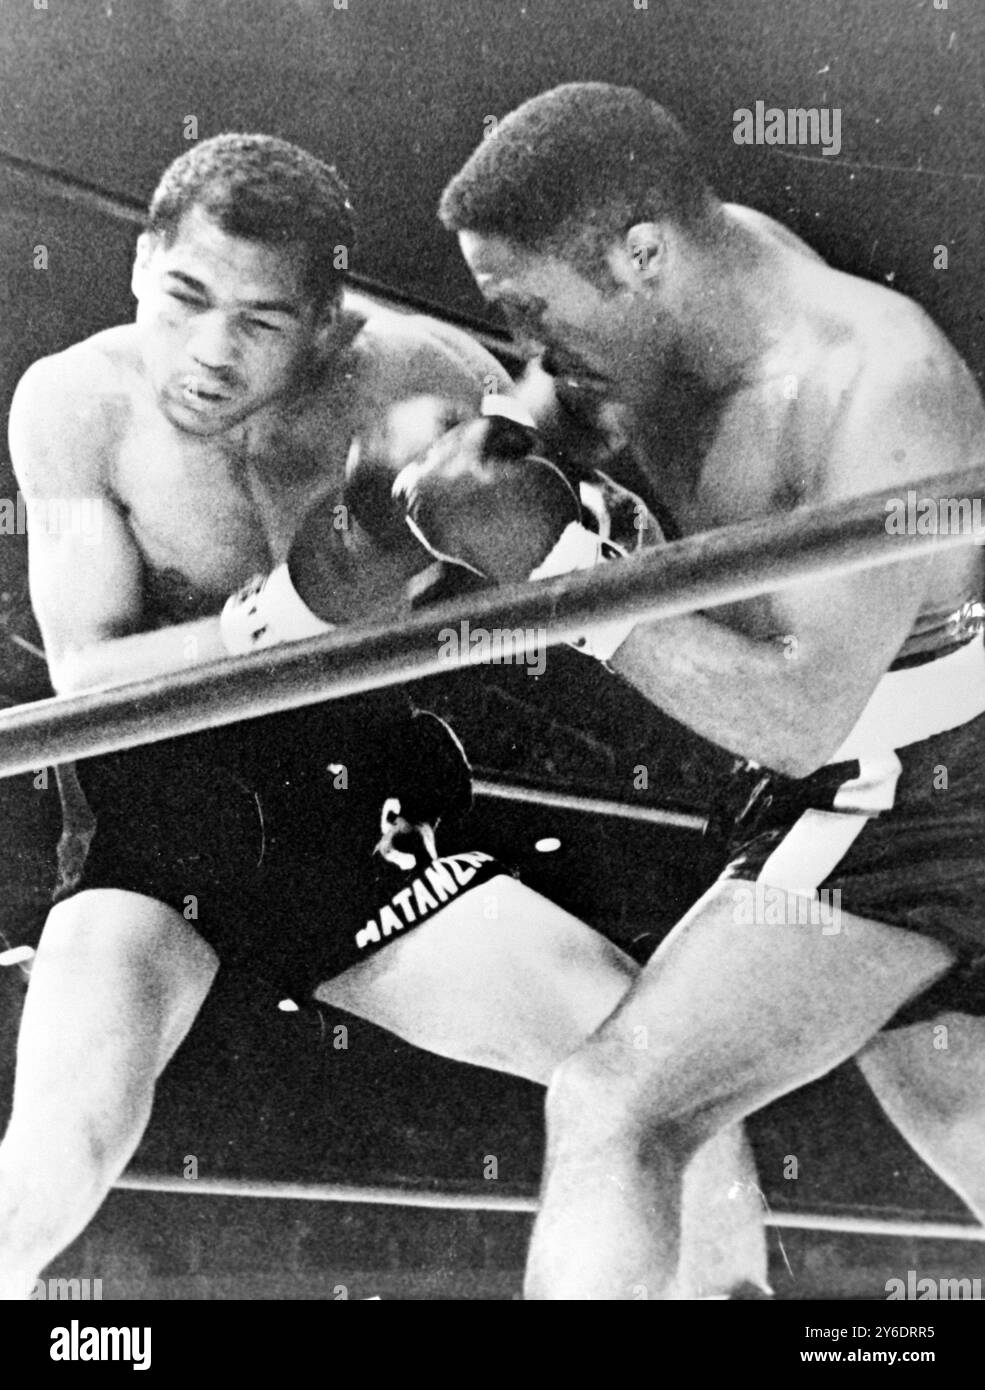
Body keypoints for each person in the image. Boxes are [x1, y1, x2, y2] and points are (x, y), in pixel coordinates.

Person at [0, 132, 763, 1299]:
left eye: (258, 322)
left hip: (358, 814)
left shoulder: (422, 375)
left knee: (660, 1079)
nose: (208, 352)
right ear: (139, 267)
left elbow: (596, 487)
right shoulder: (73, 405)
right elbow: (86, 681)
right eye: (185, 298)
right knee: (64, 1137)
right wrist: (289, 610)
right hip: (160, 822)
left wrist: (585, 514)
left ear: (326, 323)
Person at [429, 82, 985, 1299]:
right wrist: (488, 450)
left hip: (907, 785)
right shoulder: (677, 299)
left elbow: (797, 721)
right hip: (873, 775)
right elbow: (556, 407)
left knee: (616, 1101)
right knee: (961, 1115)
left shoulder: (875, 388)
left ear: (640, 254)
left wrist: (567, 575)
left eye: (530, 309)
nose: (530, 344)